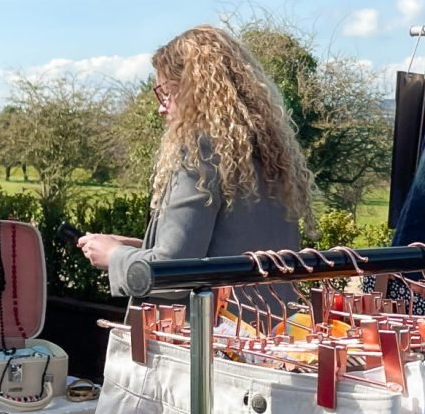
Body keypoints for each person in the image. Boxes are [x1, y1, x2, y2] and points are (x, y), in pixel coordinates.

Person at [75, 24, 315, 299]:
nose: (161, 107)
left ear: (194, 93)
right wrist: (136, 248)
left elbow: (175, 274)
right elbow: (220, 251)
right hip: (270, 327)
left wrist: (114, 255)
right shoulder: (268, 151)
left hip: (214, 332)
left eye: (167, 92)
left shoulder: (201, 152)